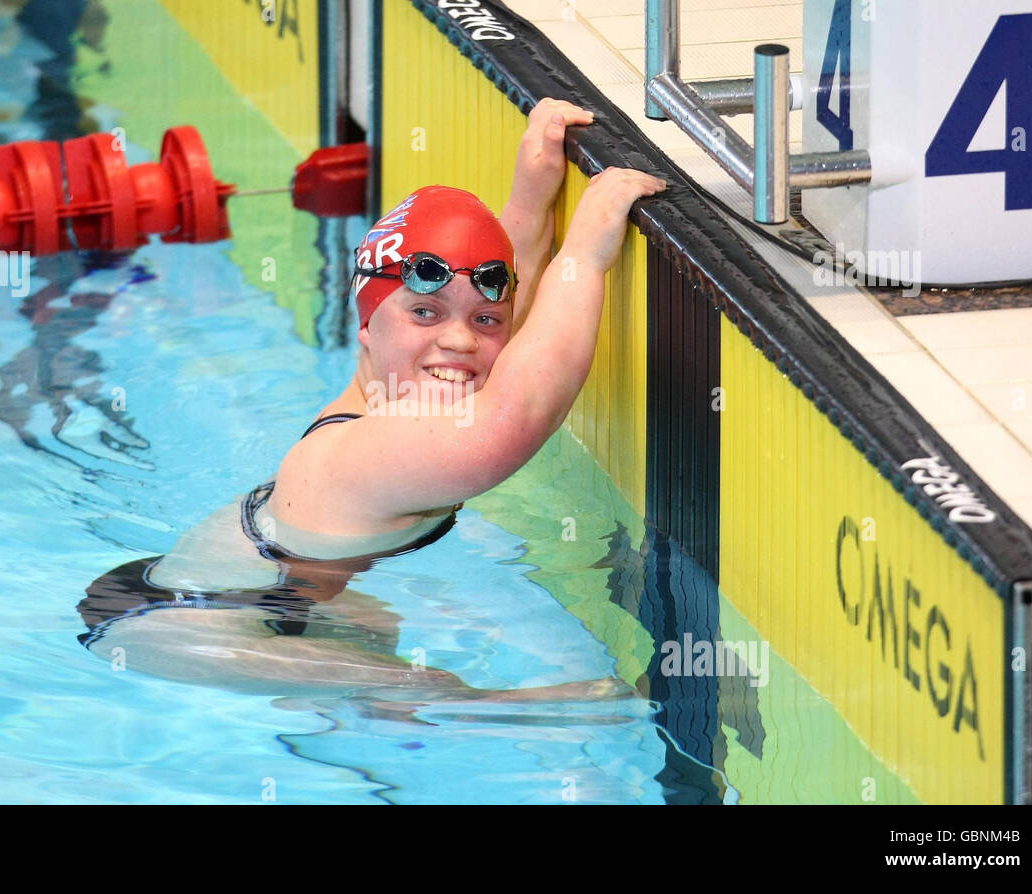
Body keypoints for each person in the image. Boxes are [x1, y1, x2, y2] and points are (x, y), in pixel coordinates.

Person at [80, 99, 666, 704]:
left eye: (485, 319)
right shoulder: (374, 446)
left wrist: (531, 194)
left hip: (249, 597)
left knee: (384, 632)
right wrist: (585, 258)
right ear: (367, 324)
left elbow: (508, 331)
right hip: (178, 626)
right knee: (429, 689)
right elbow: (519, 412)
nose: (461, 339)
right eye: (424, 312)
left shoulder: (387, 395)